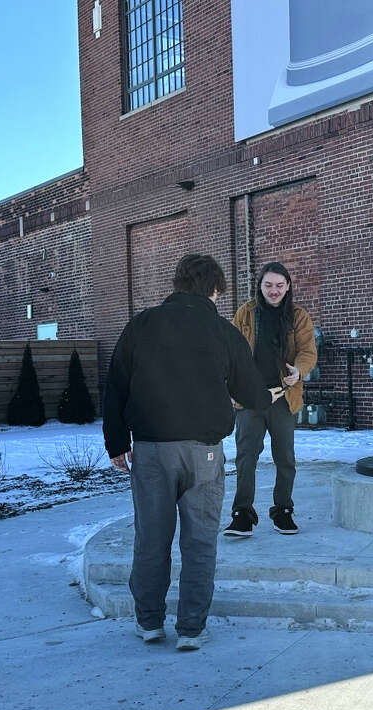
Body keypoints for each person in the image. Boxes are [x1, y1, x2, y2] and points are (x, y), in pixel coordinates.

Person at [103, 253, 283, 651]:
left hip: (150, 450)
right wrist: (275, 390)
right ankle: (191, 628)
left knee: (151, 538)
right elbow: (251, 393)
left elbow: (115, 385)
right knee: (199, 541)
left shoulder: (142, 325)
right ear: (215, 289)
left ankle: (149, 622)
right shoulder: (222, 331)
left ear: (177, 283)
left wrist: (117, 442)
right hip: (204, 452)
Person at [224, 262, 317, 537]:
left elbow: (307, 351)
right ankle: (242, 514)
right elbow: (231, 349)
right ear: (260, 286)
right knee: (245, 458)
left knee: (285, 458)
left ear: (287, 286)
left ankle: (283, 510)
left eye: (279, 285)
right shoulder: (245, 313)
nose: (274, 291)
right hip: (249, 399)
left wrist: (298, 371)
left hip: (283, 398)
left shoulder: (298, 316)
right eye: (268, 285)